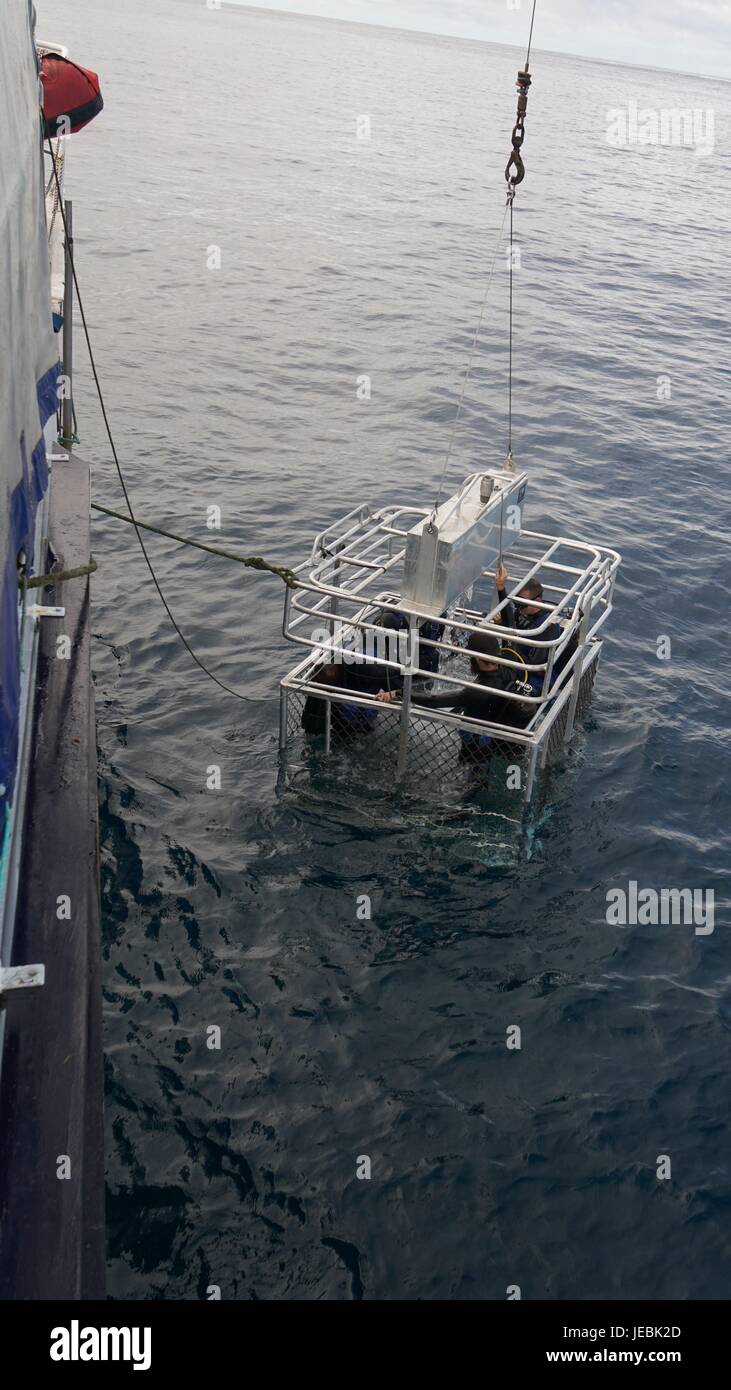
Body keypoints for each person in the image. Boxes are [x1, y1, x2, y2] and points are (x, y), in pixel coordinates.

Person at [375, 629, 531, 762]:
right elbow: (512, 632)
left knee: (470, 780)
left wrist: (398, 693)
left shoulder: (475, 692)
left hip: (476, 749)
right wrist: (502, 592)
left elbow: (433, 701)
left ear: (475, 658)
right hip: (505, 740)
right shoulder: (510, 668)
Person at [495, 564, 571, 695]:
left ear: (538, 600)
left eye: (522, 604)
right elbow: (510, 625)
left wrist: (510, 648)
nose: (518, 607)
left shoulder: (548, 625)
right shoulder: (522, 612)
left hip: (537, 677)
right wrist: (501, 588)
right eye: (516, 603)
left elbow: (537, 666)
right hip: (516, 665)